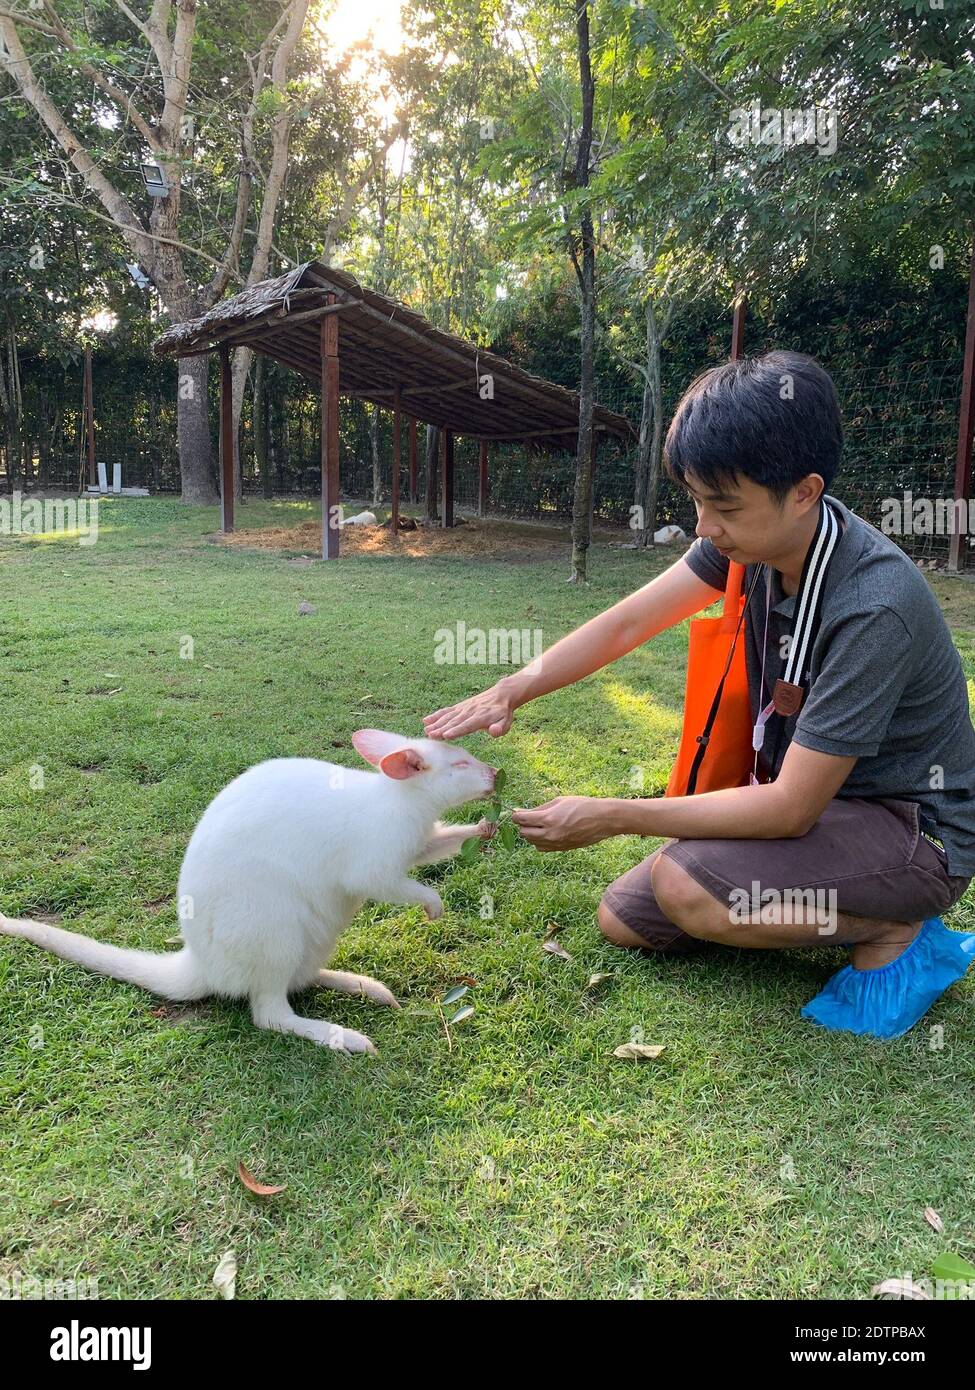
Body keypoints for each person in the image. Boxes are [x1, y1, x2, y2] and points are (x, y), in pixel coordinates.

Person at [423, 351, 975, 1040]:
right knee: (622, 919)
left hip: (911, 830)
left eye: (722, 506)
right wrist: (512, 688)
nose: (702, 526)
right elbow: (629, 620)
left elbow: (788, 808)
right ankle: (800, 898)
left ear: (803, 491)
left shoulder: (872, 605)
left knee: (687, 887)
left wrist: (613, 814)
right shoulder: (751, 544)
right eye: (695, 501)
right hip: (824, 806)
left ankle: (894, 923)